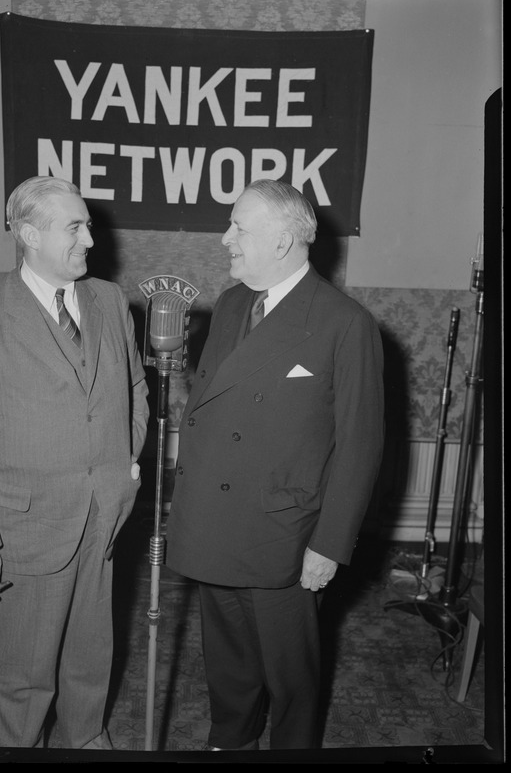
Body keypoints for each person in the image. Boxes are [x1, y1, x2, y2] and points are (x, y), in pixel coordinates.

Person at [165, 179, 384, 751]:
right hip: (217, 517)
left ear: (284, 239)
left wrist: (330, 544)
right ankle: (230, 740)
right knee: (228, 659)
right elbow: (212, 408)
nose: (225, 239)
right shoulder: (234, 301)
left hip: (285, 532)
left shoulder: (345, 323)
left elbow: (360, 445)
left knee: (291, 675)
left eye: (239, 226)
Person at [0, 176, 149, 749]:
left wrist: (124, 466)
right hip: (23, 529)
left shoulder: (107, 301)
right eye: (74, 227)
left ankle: (87, 740)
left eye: (88, 224)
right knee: (24, 678)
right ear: (28, 234)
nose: (90, 239)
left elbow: (135, 387)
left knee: (89, 659)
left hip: (103, 517)